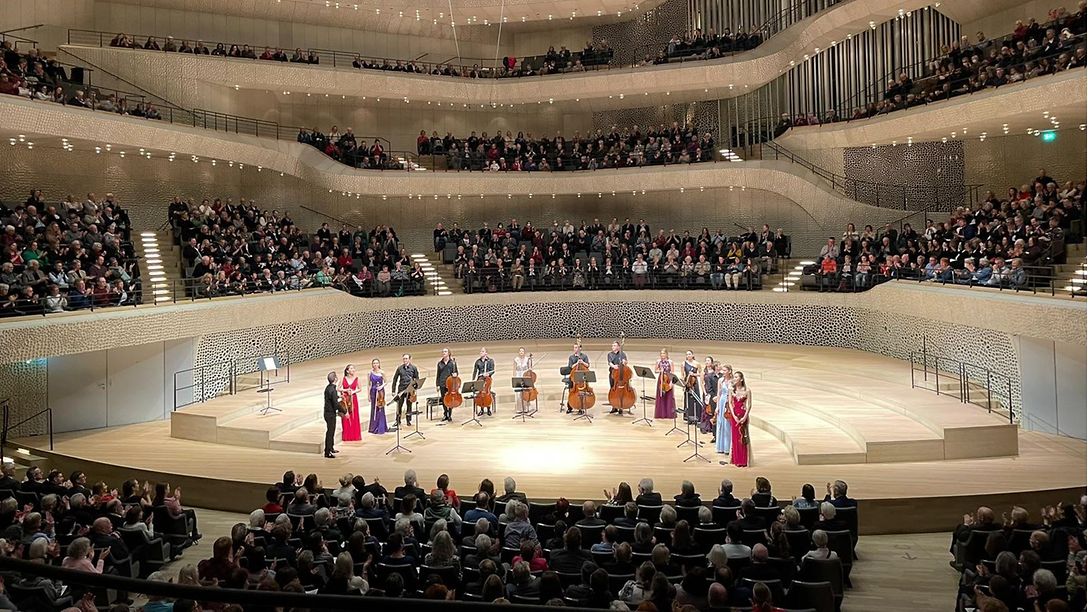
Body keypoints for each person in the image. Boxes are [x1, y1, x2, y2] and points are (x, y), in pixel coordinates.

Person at [391, 354, 419, 428]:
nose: (405, 360)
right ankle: (397, 420)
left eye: (406, 359)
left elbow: (417, 378)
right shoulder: (400, 368)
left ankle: (408, 420)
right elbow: (395, 379)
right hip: (401, 389)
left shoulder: (414, 368)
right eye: (404, 359)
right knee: (399, 406)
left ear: (410, 359)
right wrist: (393, 390)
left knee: (409, 405)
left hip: (410, 390)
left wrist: (415, 388)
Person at [730, 371, 751, 467]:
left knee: (742, 437)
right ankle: (736, 459)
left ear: (741, 379)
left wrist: (745, 416)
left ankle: (743, 460)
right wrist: (733, 415)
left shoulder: (747, 390)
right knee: (735, 438)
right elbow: (730, 403)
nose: (734, 379)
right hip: (734, 415)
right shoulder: (731, 389)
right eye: (734, 377)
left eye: (736, 377)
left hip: (743, 415)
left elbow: (749, 405)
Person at [339, 364, 363, 442]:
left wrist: (353, 392)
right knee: (346, 416)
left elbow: (360, 389)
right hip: (346, 399)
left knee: (354, 416)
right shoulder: (343, 379)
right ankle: (347, 435)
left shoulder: (357, 379)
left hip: (353, 398)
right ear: (347, 370)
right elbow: (338, 388)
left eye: (354, 368)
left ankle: (354, 435)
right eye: (351, 368)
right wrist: (345, 390)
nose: (353, 370)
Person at [565, 343, 590, 415]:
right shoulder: (571, 357)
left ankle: (581, 407)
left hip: (582, 379)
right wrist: (577, 363)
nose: (575, 349)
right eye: (574, 348)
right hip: (573, 378)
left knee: (582, 391)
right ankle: (570, 407)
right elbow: (571, 367)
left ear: (580, 349)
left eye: (576, 348)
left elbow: (587, 365)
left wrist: (582, 362)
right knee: (571, 391)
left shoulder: (584, 356)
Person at [435, 348, 459, 422]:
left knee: (450, 399)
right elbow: (438, 375)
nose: (443, 353)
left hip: (450, 384)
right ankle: (445, 413)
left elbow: (456, 373)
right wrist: (437, 384)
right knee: (444, 399)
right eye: (443, 352)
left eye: (445, 351)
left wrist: (455, 374)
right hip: (442, 383)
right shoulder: (440, 363)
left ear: (449, 353)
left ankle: (450, 415)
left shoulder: (453, 363)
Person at [715, 364, 733, 455]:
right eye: (722, 370)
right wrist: (717, 406)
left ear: (729, 371)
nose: (723, 372)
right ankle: (720, 447)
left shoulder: (732, 381)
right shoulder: (720, 380)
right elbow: (719, 393)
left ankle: (727, 448)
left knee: (727, 426)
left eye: (725, 370)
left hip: (728, 404)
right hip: (722, 402)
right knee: (720, 424)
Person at [653, 349, 677, 419]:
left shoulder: (670, 362)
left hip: (668, 379)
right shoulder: (658, 361)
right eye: (661, 353)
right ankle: (661, 413)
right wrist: (660, 370)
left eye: (663, 353)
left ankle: (669, 414)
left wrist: (671, 383)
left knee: (669, 396)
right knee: (661, 396)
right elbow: (655, 370)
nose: (662, 355)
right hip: (661, 379)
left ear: (666, 354)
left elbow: (672, 372)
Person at [606, 340, 628, 414]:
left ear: (619, 347)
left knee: (621, 390)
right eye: (612, 345)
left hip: (620, 375)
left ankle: (621, 406)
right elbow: (610, 363)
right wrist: (614, 366)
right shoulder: (609, 354)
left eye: (614, 345)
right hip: (613, 374)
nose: (613, 347)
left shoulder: (622, 354)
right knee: (613, 389)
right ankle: (614, 406)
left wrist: (624, 362)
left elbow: (625, 362)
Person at [472, 348, 496, 416]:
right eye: (480, 351)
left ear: (486, 353)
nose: (481, 352)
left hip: (488, 379)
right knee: (480, 394)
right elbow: (475, 371)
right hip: (480, 379)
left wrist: (488, 374)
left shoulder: (490, 361)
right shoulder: (477, 361)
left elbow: (493, 370)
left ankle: (488, 409)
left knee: (487, 392)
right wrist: (473, 379)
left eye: (483, 351)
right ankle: (481, 409)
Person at [368, 359, 388, 434]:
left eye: (376, 363)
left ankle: (381, 427)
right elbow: (369, 384)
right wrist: (368, 395)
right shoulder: (369, 373)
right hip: (373, 391)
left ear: (379, 364)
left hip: (380, 392)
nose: (375, 364)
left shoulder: (382, 372)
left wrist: (381, 386)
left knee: (380, 408)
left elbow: (386, 382)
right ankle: (373, 427)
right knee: (374, 409)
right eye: (374, 363)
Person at [681, 350, 702, 423]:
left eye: (689, 354)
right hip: (688, 383)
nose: (688, 355)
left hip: (694, 383)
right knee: (688, 400)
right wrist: (684, 383)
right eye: (687, 354)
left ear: (693, 355)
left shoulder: (697, 364)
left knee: (695, 399)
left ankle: (697, 417)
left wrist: (693, 374)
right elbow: (683, 374)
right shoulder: (683, 363)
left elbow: (700, 374)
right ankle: (688, 417)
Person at [323, 371, 340, 458]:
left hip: (327, 412)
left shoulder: (328, 388)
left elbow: (332, 399)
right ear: (335, 379)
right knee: (330, 432)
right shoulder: (333, 390)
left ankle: (331, 447)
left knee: (331, 431)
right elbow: (336, 404)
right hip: (330, 414)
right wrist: (344, 412)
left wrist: (338, 397)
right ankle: (327, 452)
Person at [513, 347, 534, 415]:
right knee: (519, 393)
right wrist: (514, 377)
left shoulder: (527, 359)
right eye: (520, 351)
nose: (521, 352)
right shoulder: (516, 359)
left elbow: (530, 368)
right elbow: (514, 369)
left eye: (522, 351)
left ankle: (525, 408)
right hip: (518, 375)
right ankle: (519, 409)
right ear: (519, 352)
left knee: (525, 392)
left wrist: (530, 363)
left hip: (525, 376)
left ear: (524, 352)